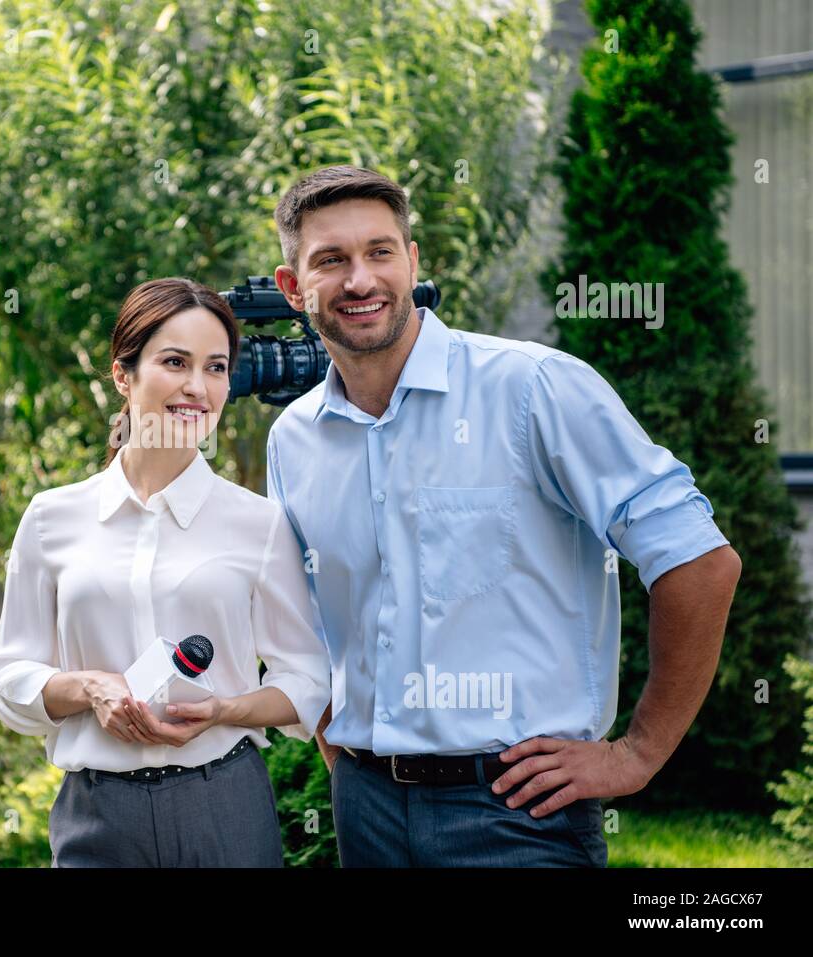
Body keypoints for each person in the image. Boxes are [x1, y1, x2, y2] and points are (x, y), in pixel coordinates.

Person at [266, 165, 742, 867]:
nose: (360, 280)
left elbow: (699, 559)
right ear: (292, 287)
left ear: (412, 261)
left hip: (517, 816)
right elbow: (304, 619)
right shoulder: (296, 438)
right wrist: (343, 748)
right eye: (331, 260)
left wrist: (637, 752)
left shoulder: (534, 389)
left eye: (380, 252)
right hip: (365, 810)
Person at [0, 277, 331, 868]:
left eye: (216, 368)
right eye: (175, 362)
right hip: (97, 816)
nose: (198, 387)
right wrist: (90, 688)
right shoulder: (52, 519)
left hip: (223, 804)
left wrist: (224, 709)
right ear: (124, 375)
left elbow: (307, 678)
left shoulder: (259, 523)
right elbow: (8, 678)